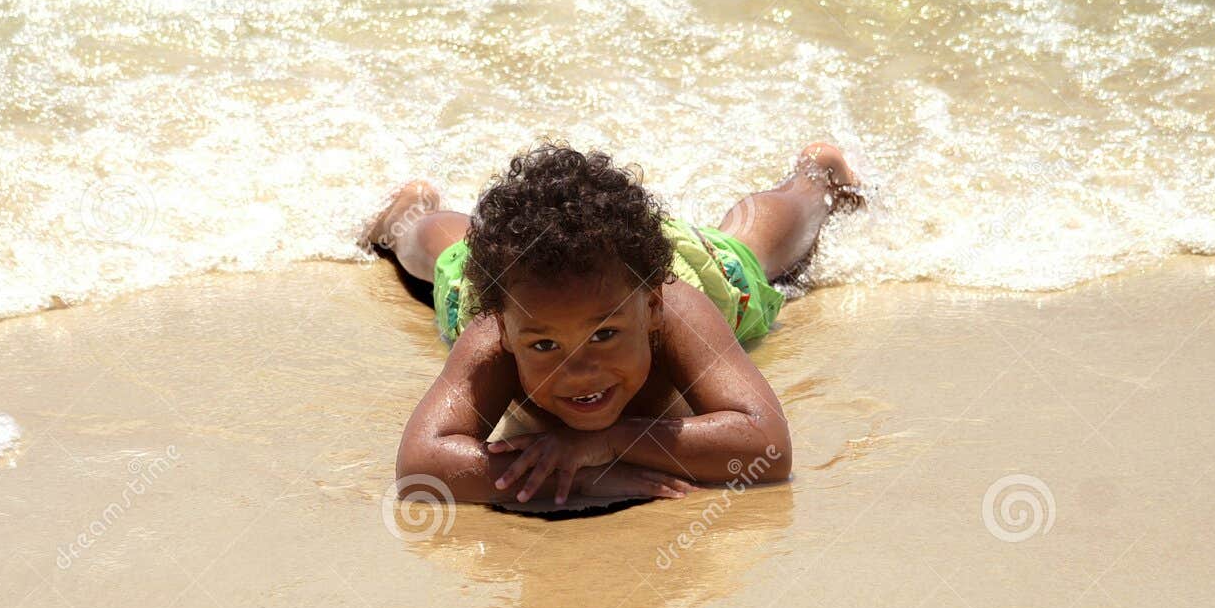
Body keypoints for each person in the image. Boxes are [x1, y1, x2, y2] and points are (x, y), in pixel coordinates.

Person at [361, 141, 861, 505]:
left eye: (604, 335)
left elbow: (769, 450)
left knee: (747, 250)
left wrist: (610, 443)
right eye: (543, 346)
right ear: (506, 334)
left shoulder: (677, 306)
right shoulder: (494, 326)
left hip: (675, 274)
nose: (579, 372)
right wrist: (578, 476)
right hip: (514, 282)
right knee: (449, 255)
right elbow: (419, 468)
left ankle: (814, 179)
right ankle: (408, 213)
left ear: (652, 311)